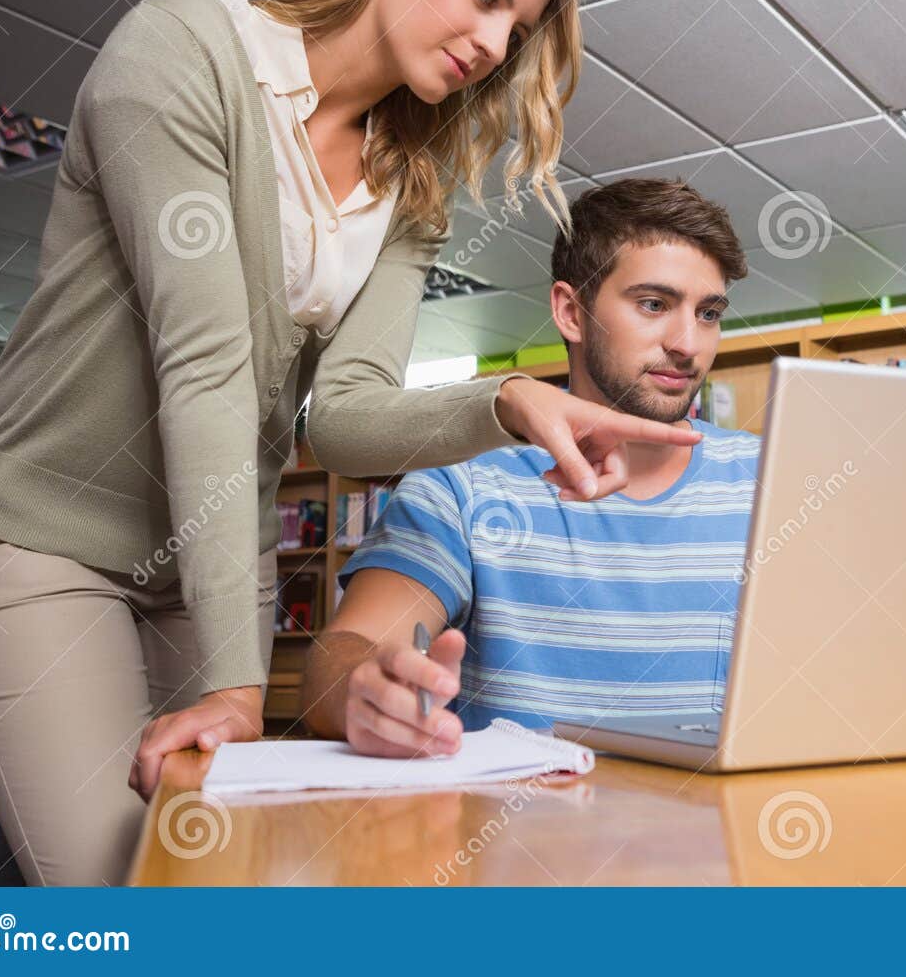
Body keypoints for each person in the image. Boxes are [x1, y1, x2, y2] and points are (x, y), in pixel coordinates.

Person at [0, 0, 697, 886]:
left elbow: (341, 422)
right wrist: (242, 693)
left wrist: (506, 401)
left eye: (516, 30)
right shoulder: (185, 49)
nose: (494, 44)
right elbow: (203, 367)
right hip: (39, 541)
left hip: (205, 560)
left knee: (222, 878)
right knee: (113, 885)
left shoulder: (408, 186)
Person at [301, 178, 761, 754]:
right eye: (653, 304)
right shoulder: (461, 481)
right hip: (522, 837)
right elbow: (344, 654)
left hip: (728, 836)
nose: (688, 343)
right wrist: (367, 695)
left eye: (710, 312)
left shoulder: (770, 480)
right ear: (571, 312)